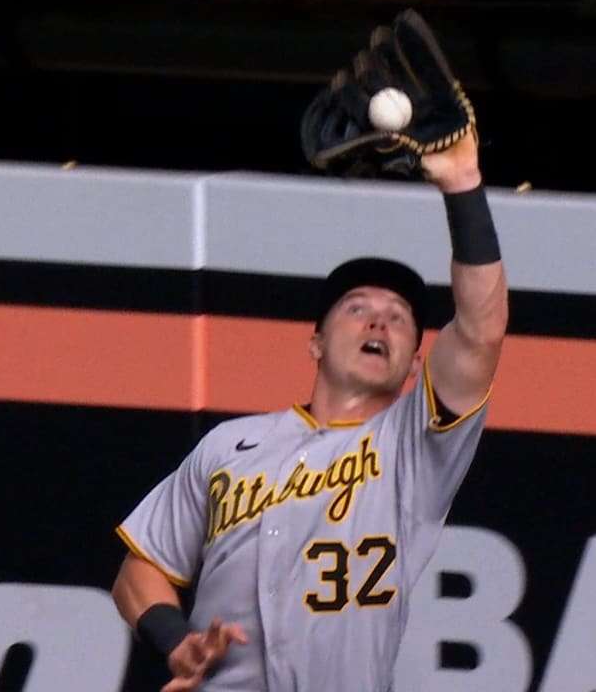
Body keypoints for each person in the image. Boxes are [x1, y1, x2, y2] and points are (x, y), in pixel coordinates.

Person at [109, 126, 508, 692]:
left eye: (398, 318)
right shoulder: (228, 445)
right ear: (316, 342)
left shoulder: (415, 444)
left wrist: (462, 184)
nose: (378, 321)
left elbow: (481, 330)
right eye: (356, 308)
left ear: (415, 364)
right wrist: (175, 638)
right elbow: (140, 570)